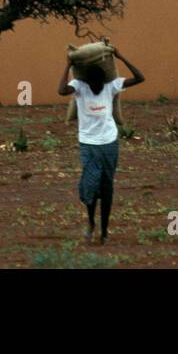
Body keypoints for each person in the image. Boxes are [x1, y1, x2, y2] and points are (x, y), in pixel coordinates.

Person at [57, 46, 144, 244]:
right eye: (93, 83)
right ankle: (91, 222)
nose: (96, 87)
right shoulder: (79, 86)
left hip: (109, 143)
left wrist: (121, 57)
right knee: (90, 187)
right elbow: (61, 90)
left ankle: (104, 230)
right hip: (88, 144)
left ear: (103, 80)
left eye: (99, 82)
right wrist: (68, 64)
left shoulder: (111, 86)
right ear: (87, 81)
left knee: (106, 189)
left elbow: (140, 78)